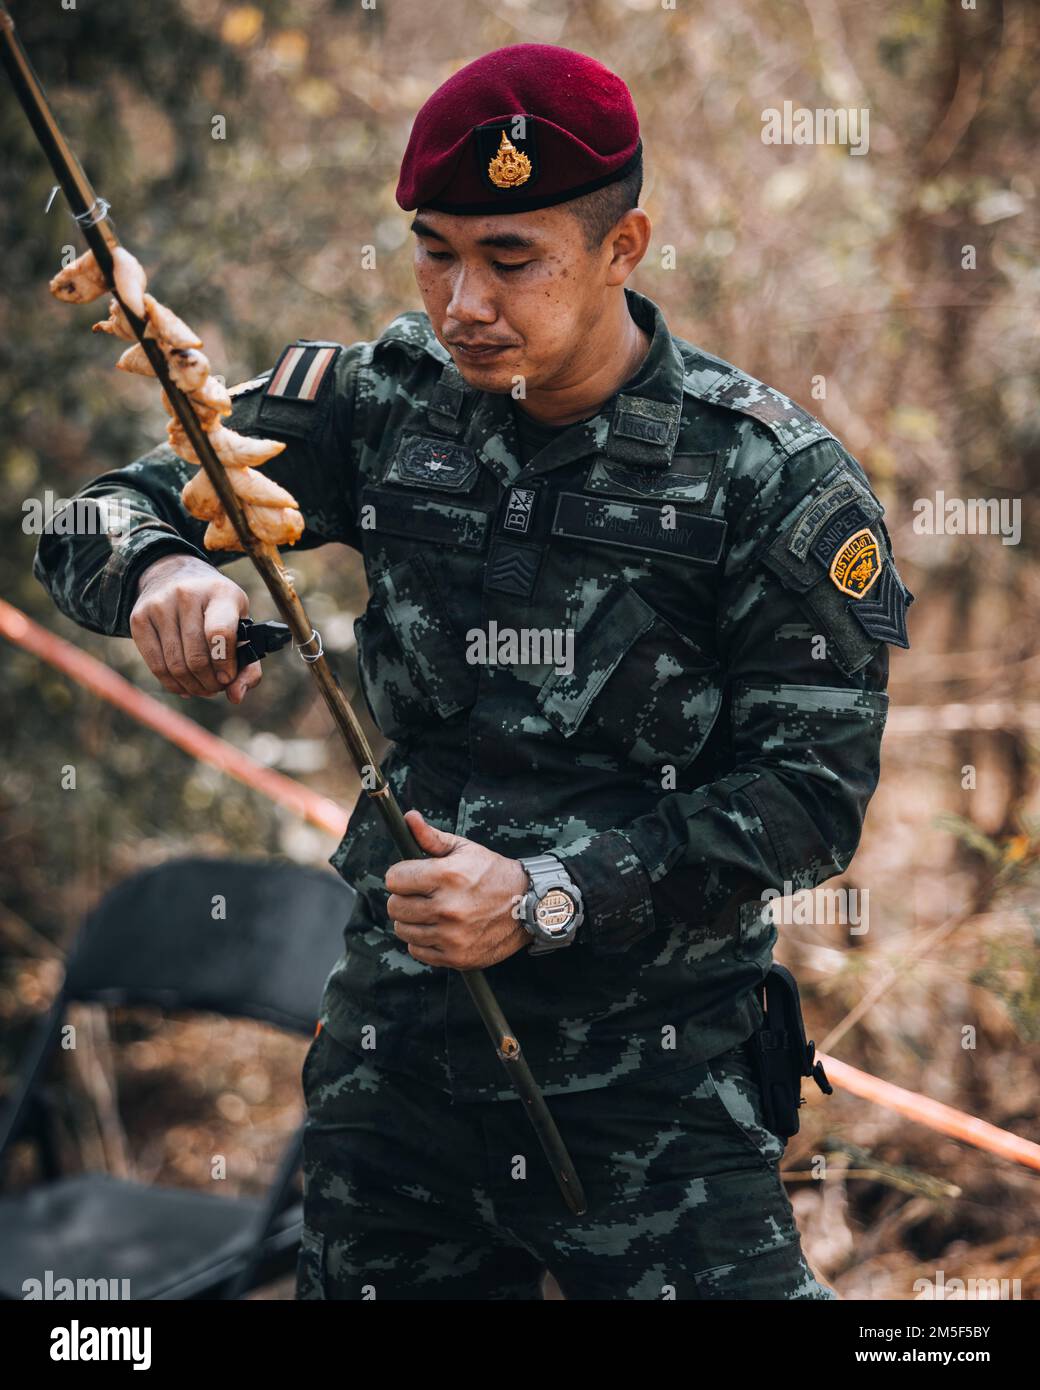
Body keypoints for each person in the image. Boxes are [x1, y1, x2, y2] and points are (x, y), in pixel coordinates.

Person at [34, 43, 912, 1300]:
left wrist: (547, 891)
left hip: (651, 1100)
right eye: (434, 249)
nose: (462, 302)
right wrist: (165, 571)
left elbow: (808, 801)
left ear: (623, 248)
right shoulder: (385, 405)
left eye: (512, 258)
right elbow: (86, 519)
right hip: (399, 1075)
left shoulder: (766, 478)